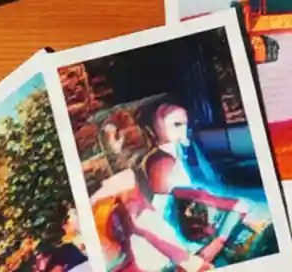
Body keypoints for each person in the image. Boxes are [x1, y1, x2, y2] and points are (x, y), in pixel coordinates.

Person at [97, 103, 250, 272]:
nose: (184, 130)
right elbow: (181, 196)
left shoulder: (176, 157)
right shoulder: (159, 163)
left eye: (186, 123)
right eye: (176, 125)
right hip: (161, 254)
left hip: (169, 246)